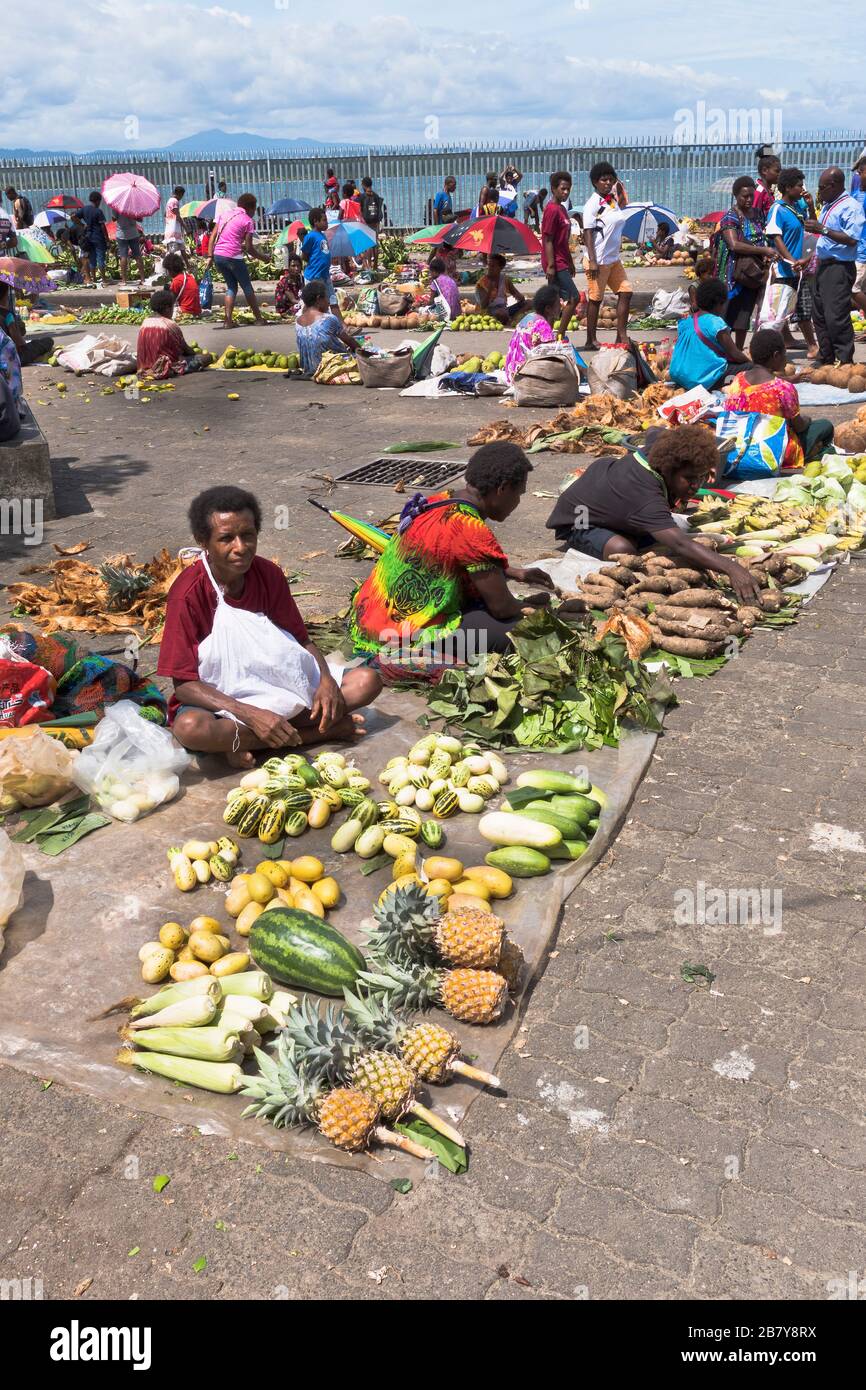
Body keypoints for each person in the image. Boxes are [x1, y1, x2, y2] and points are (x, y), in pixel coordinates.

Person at [159, 486, 382, 766]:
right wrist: (250, 714)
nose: (240, 547)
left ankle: (246, 742)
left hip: (280, 685)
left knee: (366, 681)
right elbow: (184, 685)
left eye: (248, 535)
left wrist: (325, 682)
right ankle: (322, 732)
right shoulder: (188, 593)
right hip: (226, 703)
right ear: (203, 541)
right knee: (191, 728)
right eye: (226, 538)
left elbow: (302, 640)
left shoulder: (269, 575)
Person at [350, 442, 556, 674]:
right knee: (520, 631)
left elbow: (446, 556)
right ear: (502, 488)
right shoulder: (470, 529)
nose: (517, 503)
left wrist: (513, 572)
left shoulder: (437, 500)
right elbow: (502, 608)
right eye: (518, 494)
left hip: (370, 616)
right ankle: (413, 658)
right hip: (402, 635)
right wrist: (543, 611)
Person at [546, 425, 760, 602]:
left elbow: (656, 430)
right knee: (624, 549)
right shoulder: (645, 495)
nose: (696, 485)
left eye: (701, 477)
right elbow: (680, 544)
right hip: (580, 520)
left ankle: (621, 526)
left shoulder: (661, 452)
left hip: (608, 499)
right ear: (669, 468)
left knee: (653, 536)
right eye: (690, 478)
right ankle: (593, 537)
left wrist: (704, 463)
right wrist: (732, 569)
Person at [724, 328, 834, 468]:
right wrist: (807, 420)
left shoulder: (738, 380)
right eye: (784, 353)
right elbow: (799, 427)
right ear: (776, 355)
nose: (785, 358)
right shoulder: (783, 388)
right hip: (774, 452)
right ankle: (810, 455)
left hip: (740, 448)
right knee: (825, 425)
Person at [804, 166, 866, 365]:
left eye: (822, 187)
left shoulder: (851, 206)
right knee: (819, 315)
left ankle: (845, 360)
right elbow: (823, 236)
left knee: (835, 316)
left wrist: (822, 229)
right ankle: (827, 357)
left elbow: (851, 239)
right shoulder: (830, 204)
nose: (820, 191)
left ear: (835, 185)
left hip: (839, 266)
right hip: (824, 265)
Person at [759, 167, 816, 350]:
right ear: (788, 187)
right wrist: (791, 260)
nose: (802, 188)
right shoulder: (777, 209)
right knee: (780, 310)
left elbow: (813, 227)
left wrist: (811, 206)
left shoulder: (798, 206)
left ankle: (811, 346)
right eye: (799, 185)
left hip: (798, 267)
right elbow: (776, 237)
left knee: (802, 307)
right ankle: (771, 347)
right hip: (785, 267)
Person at [716, 175, 776, 347]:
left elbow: (764, 236)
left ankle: (739, 349)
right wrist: (763, 250)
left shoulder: (758, 214)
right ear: (736, 196)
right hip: (733, 275)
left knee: (744, 315)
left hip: (752, 273)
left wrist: (765, 250)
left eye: (751, 196)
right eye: (745, 196)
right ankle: (724, 351)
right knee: (726, 316)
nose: (749, 199)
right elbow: (734, 245)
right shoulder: (731, 217)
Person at [582, 160, 631, 348]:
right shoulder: (592, 204)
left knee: (626, 292)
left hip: (613, 259)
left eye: (611, 180)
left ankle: (621, 336)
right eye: (604, 180)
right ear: (595, 181)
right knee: (595, 299)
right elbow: (587, 232)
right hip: (598, 260)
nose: (608, 183)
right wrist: (593, 261)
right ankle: (590, 340)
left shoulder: (612, 201)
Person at [670, 277, 749, 390]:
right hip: (700, 380)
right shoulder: (715, 322)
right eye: (722, 304)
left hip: (679, 376)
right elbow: (735, 354)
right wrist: (753, 363)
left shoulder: (686, 322)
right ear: (717, 303)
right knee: (750, 368)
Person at [207, 192, 271, 329]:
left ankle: (228, 321)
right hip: (233, 257)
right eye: (254, 209)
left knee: (231, 287)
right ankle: (259, 318)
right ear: (251, 208)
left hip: (218, 255)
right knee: (247, 286)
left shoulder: (224, 215)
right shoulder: (247, 220)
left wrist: (209, 256)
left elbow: (212, 237)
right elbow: (249, 248)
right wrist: (264, 258)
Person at [135, 290, 213, 378]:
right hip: (164, 367)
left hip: (143, 366)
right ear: (167, 308)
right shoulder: (170, 324)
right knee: (208, 357)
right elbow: (186, 349)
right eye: (173, 307)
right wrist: (196, 354)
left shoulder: (145, 322)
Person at [294, 280, 361, 377]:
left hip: (310, 369)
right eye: (326, 297)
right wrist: (362, 351)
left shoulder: (298, 321)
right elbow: (349, 340)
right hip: (331, 366)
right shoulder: (328, 319)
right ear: (318, 299)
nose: (328, 302)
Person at [542, 171, 580, 340]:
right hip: (555, 262)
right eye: (563, 189)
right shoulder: (551, 210)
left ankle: (545, 337)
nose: (566, 192)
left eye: (568, 189)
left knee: (554, 302)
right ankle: (560, 335)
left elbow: (563, 241)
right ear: (554, 189)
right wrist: (550, 266)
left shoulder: (562, 209)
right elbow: (548, 239)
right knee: (574, 297)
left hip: (563, 260)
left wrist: (571, 262)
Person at [504, 282, 559, 382]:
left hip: (511, 371)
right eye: (558, 304)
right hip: (524, 375)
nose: (560, 306)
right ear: (548, 309)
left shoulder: (528, 317)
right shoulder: (542, 325)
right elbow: (550, 355)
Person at [0, 282, 54, 366]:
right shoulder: (7, 315)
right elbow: (19, 342)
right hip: (10, 358)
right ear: (5, 297)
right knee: (48, 341)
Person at [301, 208, 341, 317]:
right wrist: (315, 263)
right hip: (314, 275)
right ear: (315, 221)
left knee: (332, 300)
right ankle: (303, 321)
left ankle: (343, 327)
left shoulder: (322, 235)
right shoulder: (310, 236)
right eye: (324, 220)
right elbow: (304, 255)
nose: (326, 223)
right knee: (312, 303)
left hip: (325, 275)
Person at [475, 253, 526, 324]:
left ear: (501, 268)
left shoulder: (505, 279)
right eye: (489, 265)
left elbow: (516, 293)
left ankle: (513, 318)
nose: (489, 268)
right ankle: (510, 319)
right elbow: (483, 306)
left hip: (504, 309)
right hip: (488, 312)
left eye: (493, 266)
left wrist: (520, 297)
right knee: (501, 314)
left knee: (529, 303)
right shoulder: (481, 283)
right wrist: (489, 291)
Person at [77, 191, 109, 285]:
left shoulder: (84, 209)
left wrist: (82, 225)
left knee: (92, 258)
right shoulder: (98, 211)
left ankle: (94, 278)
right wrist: (107, 239)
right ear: (99, 200)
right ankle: (103, 279)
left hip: (89, 237)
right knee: (100, 258)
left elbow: (73, 216)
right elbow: (103, 226)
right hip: (98, 237)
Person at [162, 252, 201, 316]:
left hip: (186, 311)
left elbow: (171, 300)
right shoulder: (189, 276)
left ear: (171, 270)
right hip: (197, 311)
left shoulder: (177, 280)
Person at [115, 210, 146, 284]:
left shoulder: (116, 206)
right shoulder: (133, 206)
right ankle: (142, 279)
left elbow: (113, 218)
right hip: (133, 234)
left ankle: (124, 280)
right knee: (138, 255)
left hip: (121, 234)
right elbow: (140, 219)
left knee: (123, 256)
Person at [752, 153, 781, 229]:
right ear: (765, 171)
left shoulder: (768, 190)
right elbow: (753, 217)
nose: (780, 174)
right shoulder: (759, 191)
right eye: (777, 171)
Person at [428, 255, 461, 320]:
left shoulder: (436, 282)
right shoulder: (450, 280)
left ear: (434, 271)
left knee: (422, 310)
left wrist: (422, 305)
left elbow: (431, 301)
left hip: (446, 314)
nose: (430, 274)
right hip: (457, 313)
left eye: (430, 272)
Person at [359, 176, 383, 265]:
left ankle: (369, 265)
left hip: (366, 222)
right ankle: (375, 265)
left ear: (364, 185)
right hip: (375, 222)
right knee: (374, 244)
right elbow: (379, 209)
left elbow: (360, 210)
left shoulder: (362, 197)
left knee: (368, 244)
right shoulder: (376, 196)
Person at [163, 185, 186, 259]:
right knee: (172, 253)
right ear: (180, 194)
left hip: (171, 229)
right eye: (182, 195)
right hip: (173, 231)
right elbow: (177, 216)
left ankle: (188, 265)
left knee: (182, 249)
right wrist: (185, 227)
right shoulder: (174, 201)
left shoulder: (169, 201)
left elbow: (165, 214)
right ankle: (170, 268)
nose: (181, 198)